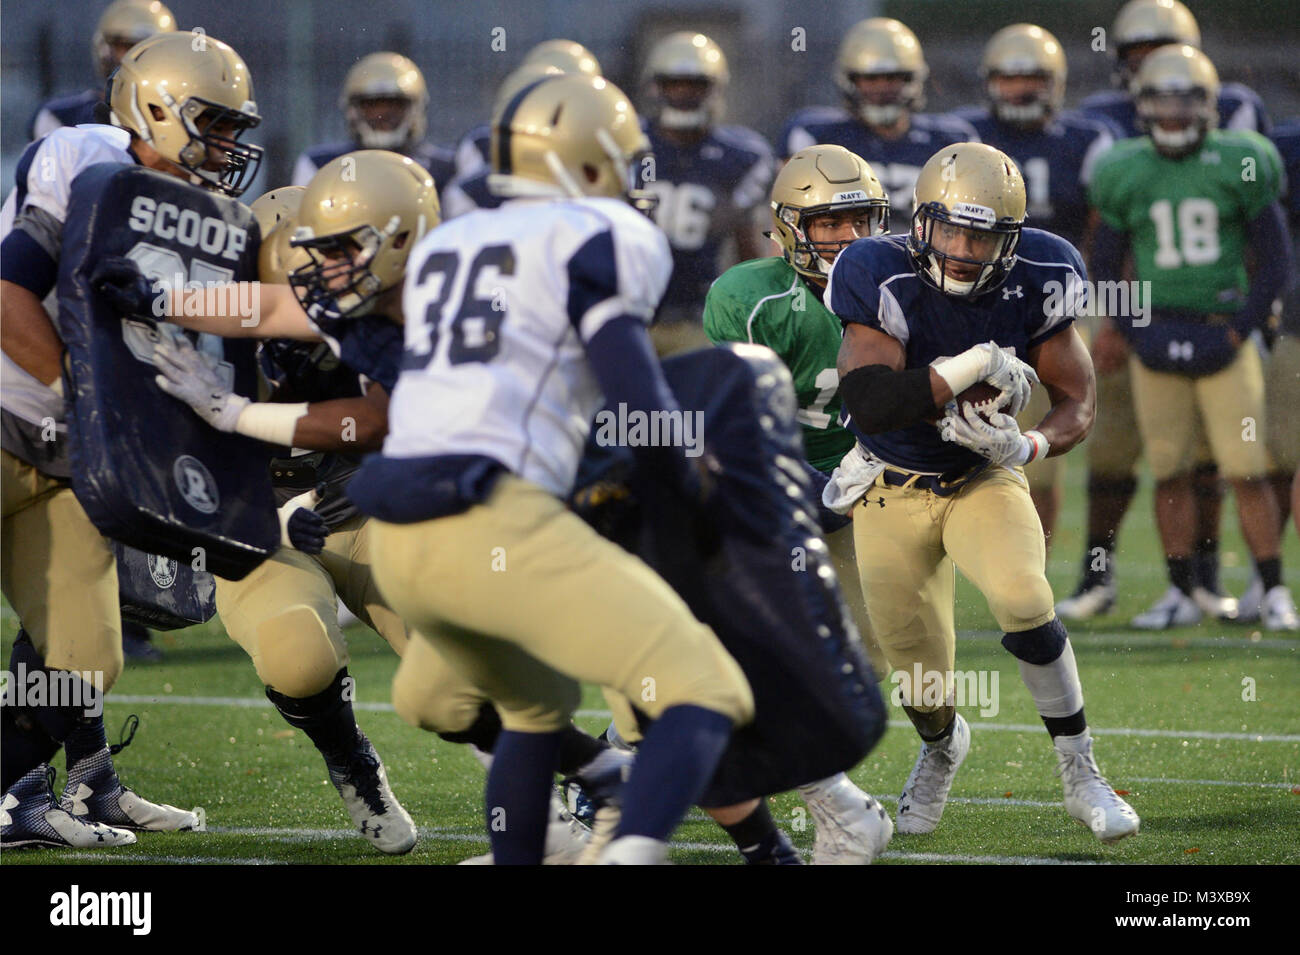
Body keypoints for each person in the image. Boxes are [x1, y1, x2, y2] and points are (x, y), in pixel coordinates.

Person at [347, 73, 756, 865]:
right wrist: (692, 488)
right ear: (592, 163)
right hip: (499, 513)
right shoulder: (600, 234)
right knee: (709, 691)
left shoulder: (450, 244)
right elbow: (636, 395)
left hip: (398, 531)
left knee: (534, 709)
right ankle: (630, 853)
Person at [826, 142, 1139, 843]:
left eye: (984, 235)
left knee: (1025, 598)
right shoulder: (875, 267)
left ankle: (1082, 773)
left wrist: (1026, 445)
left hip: (981, 475)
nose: (965, 249)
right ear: (921, 221)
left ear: (1013, 239)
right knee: (919, 681)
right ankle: (942, 747)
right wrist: (970, 365)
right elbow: (873, 400)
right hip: (887, 483)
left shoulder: (1043, 270)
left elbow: (1078, 401)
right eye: (953, 229)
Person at [0, 30, 262, 848]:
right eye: (212, 123)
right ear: (154, 104)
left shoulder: (204, 216)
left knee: (83, 659)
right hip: (14, 412)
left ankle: (22, 796)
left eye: (232, 129)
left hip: (74, 451)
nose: (227, 146)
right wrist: (84, 399)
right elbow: (9, 294)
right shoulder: (86, 153)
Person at [702, 143, 895, 863]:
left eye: (857, 220)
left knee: (864, 667)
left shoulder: (900, 285)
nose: (846, 238)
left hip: (867, 490)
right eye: (828, 223)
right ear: (787, 229)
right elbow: (737, 424)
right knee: (731, 643)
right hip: (771, 489)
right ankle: (622, 759)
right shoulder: (747, 297)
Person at [1062, 0, 1274, 621]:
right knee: (1115, 455)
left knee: (1213, 457)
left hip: (1208, 307)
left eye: (1165, 53)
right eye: (1138, 56)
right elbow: (1105, 229)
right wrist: (1115, 319)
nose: (1155, 68)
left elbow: (1250, 224)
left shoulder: (1235, 114)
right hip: (1134, 312)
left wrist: (1246, 313)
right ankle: (1095, 575)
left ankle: (1202, 578)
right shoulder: (1104, 124)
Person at [955, 24, 1118, 544]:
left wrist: (1108, 309)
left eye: (1032, 78)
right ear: (990, 82)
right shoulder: (963, 134)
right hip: (970, 297)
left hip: (1048, 305)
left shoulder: (1087, 140)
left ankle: (1032, 563)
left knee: (1038, 458)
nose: (1020, 89)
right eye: (1008, 77)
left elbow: (1105, 232)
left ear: (1056, 83)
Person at [779, 17, 977, 231]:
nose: (882, 88)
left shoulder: (951, 141)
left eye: (892, 78)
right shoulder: (816, 136)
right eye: (871, 79)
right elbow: (787, 226)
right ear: (851, 81)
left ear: (912, 80)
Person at [634, 32, 773, 331]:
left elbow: (746, 249)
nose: (684, 94)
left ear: (714, 89)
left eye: (695, 85)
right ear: (656, 87)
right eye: (674, 84)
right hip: (631, 309)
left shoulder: (739, 156)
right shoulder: (627, 143)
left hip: (698, 314)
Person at [290, 52, 455, 195]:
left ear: (416, 107)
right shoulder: (321, 165)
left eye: (394, 105)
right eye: (372, 105)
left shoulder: (446, 168)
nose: (382, 115)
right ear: (353, 110)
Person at [27, 0, 177, 140]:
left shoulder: (181, 115)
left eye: (151, 49)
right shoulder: (61, 116)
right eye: (129, 47)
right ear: (106, 52)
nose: (138, 57)